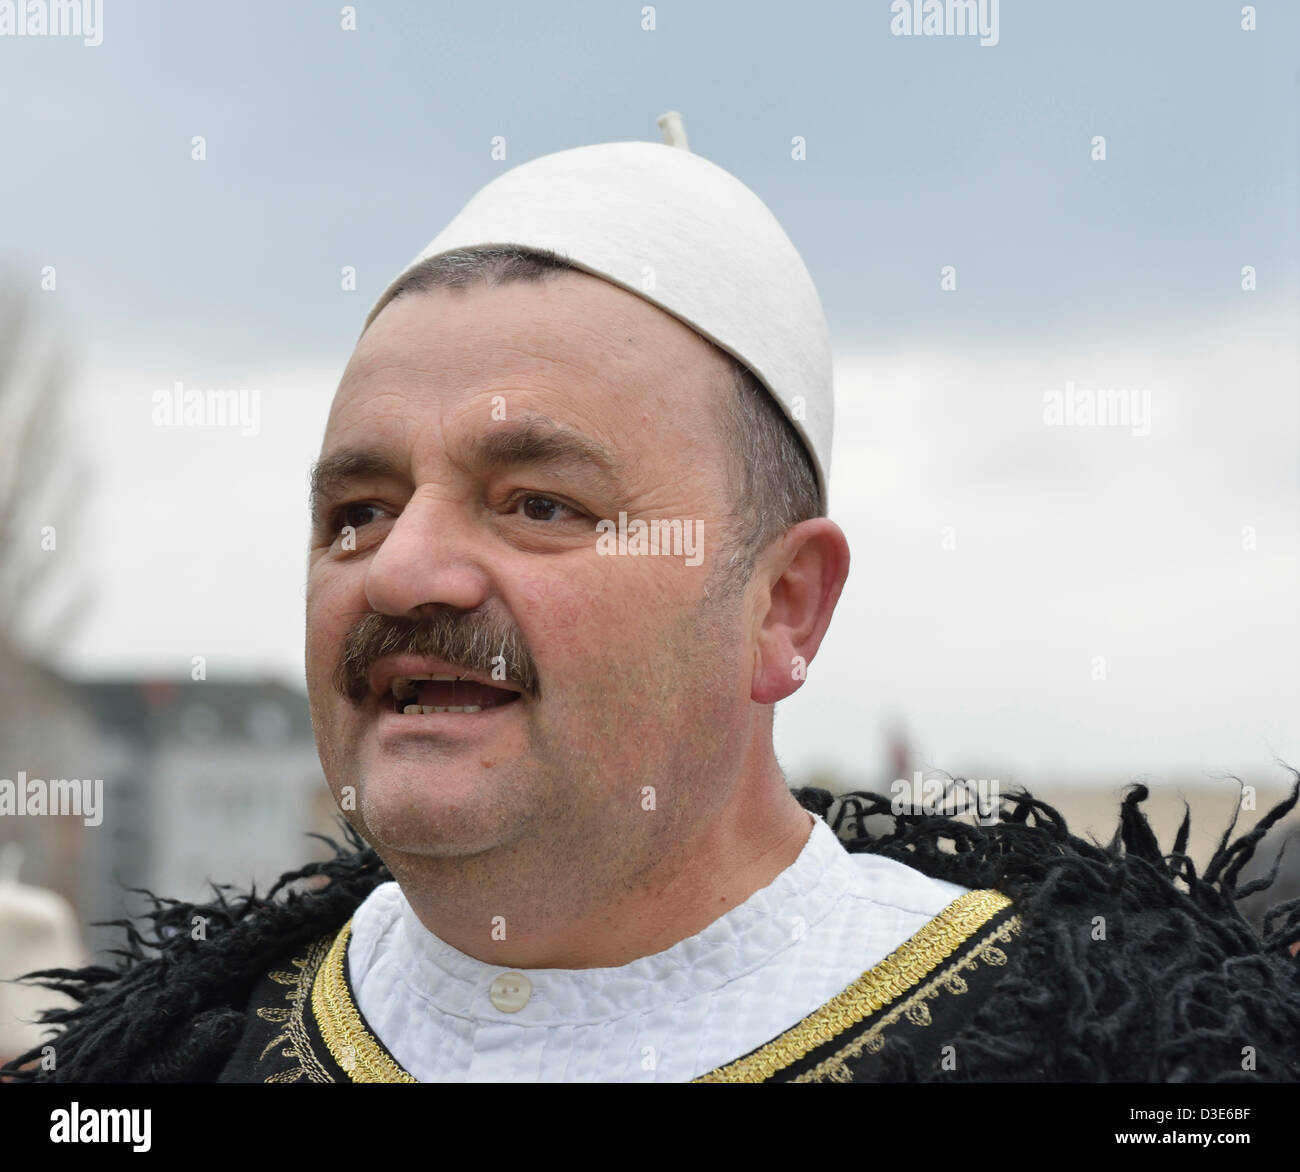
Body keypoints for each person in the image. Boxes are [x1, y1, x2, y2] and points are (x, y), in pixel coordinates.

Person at [6, 115, 1300, 1084]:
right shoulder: (164, 1064)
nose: (402, 570)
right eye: (359, 511)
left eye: (539, 505)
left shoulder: (1121, 1057)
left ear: (784, 608)